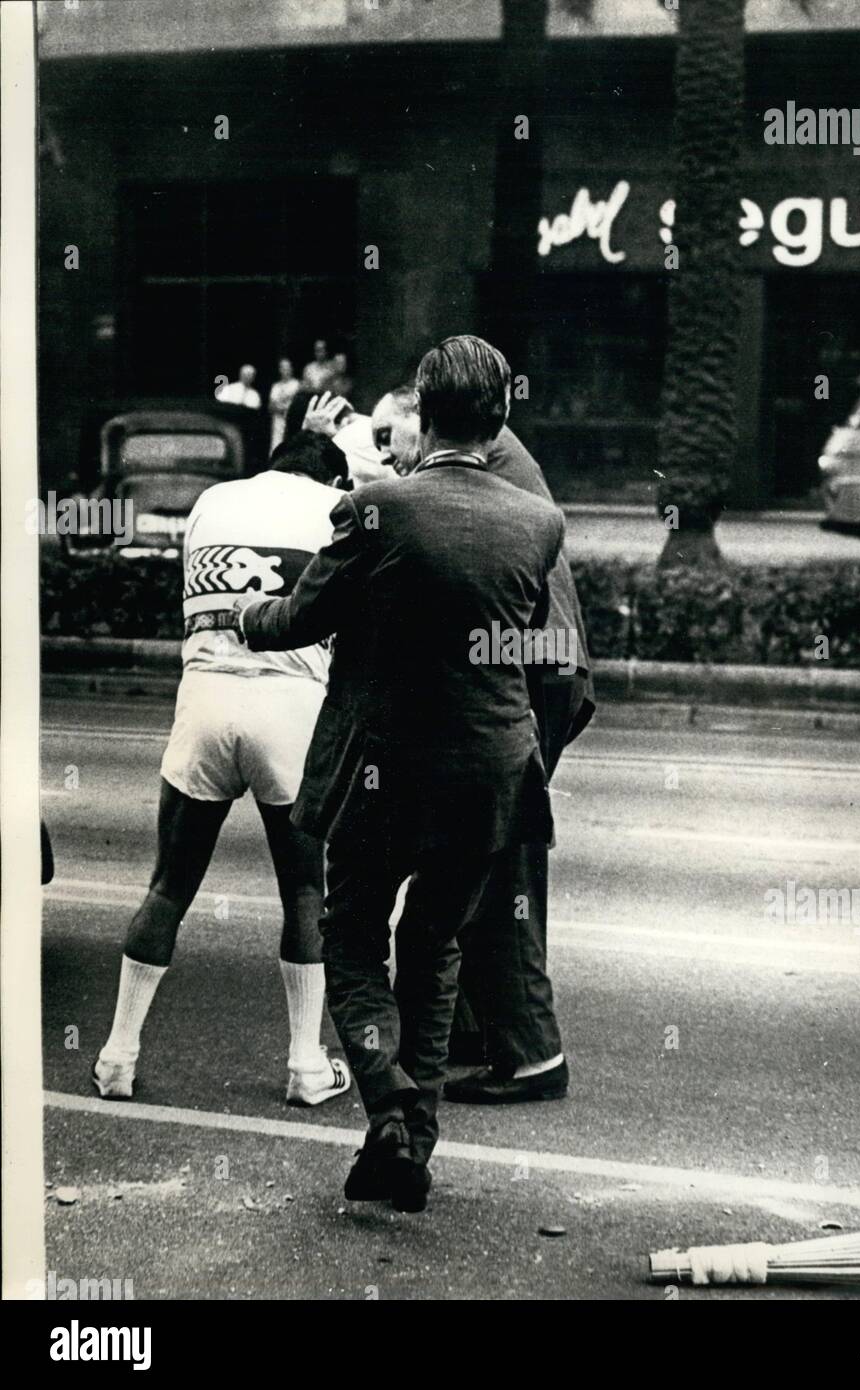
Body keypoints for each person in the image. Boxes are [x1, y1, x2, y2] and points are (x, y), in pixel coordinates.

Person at [237, 336, 565, 1211]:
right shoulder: (539, 523)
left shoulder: (379, 508)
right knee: (433, 947)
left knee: (350, 937)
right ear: (500, 417)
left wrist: (242, 608)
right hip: (492, 770)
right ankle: (414, 1141)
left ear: (421, 411)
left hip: (383, 768)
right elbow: (519, 644)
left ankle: (386, 1108)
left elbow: (296, 621)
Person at [92, 431, 353, 1109]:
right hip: (292, 710)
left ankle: (117, 1057)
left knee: (168, 887)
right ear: (333, 475)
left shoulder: (213, 501)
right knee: (303, 892)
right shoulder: (337, 507)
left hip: (205, 700)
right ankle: (304, 1065)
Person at [369, 385, 594, 1103]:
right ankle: (472, 1027)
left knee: (500, 863)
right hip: (540, 668)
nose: (386, 455)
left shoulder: (470, 459)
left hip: (532, 675)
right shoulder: (485, 446)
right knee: (478, 850)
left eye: (389, 436)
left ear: (425, 417)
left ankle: (531, 1055)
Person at [268, 356, 300, 451]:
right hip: (278, 422)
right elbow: (270, 406)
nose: (285, 370)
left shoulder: (297, 384)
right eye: (283, 368)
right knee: (276, 447)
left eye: (287, 367)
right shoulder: (275, 386)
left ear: (291, 369)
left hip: (292, 421)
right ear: (280, 370)